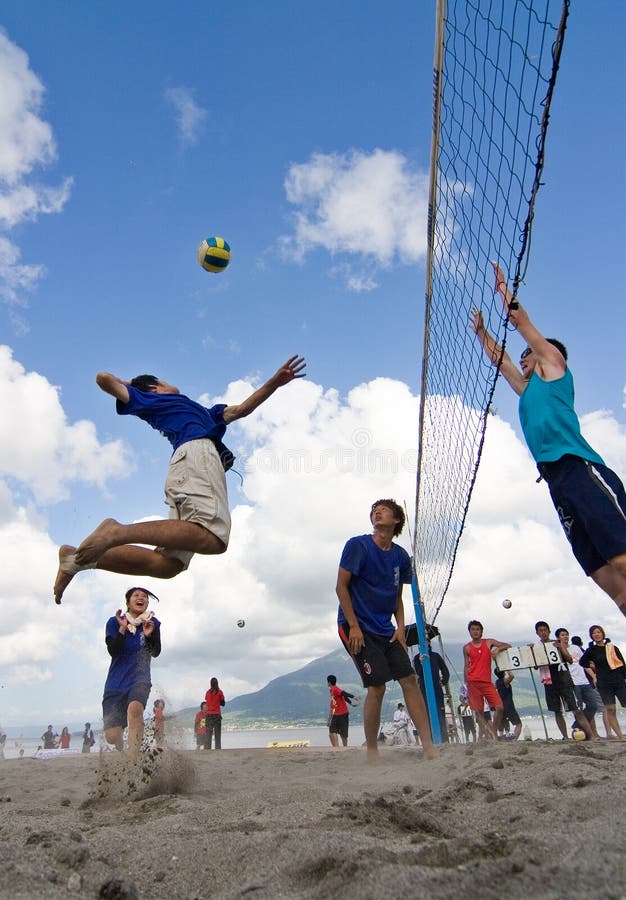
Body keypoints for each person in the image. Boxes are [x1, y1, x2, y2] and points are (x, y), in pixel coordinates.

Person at [53, 356, 306, 603]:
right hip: (198, 457)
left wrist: (274, 382)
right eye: (161, 382)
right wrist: (134, 384)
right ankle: (116, 532)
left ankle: (75, 560)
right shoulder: (149, 399)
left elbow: (241, 409)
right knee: (214, 538)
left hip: (187, 466)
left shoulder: (202, 411)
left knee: (168, 566)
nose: (168, 383)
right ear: (155, 388)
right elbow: (103, 379)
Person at [470, 263, 626, 618]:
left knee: (622, 559)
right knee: (612, 585)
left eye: (529, 353)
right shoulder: (527, 391)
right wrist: (481, 334)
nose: (523, 358)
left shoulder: (555, 368)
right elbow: (501, 360)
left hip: (579, 468)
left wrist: (504, 293)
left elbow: (524, 326)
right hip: (556, 482)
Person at [335, 498, 437, 763]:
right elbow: (340, 587)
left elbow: (397, 597)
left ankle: (428, 747)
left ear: (396, 520)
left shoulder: (400, 556)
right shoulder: (357, 545)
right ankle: (372, 751)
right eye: (373, 510)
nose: (376, 511)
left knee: (410, 681)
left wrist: (401, 629)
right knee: (377, 687)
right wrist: (354, 626)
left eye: (384, 510)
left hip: (387, 628)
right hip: (356, 626)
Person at [102, 586, 161, 763]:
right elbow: (113, 651)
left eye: (144, 596)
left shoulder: (152, 623)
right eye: (136, 595)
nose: (141, 598)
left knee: (135, 709)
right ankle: (121, 744)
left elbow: (155, 652)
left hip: (140, 679)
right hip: (115, 683)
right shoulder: (114, 622)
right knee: (112, 736)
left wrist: (149, 635)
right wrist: (122, 630)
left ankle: (133, 761)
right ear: (128, 602)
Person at [534, 621, 592, 740]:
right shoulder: (537, 647)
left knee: (575, 709)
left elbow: (570, 660)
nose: (543, 632)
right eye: (541, 630)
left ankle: (590, 735)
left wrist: (561, 647)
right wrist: (532, 651)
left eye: (545, 630)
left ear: (549, 631)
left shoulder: (557, 643)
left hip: (563, 678)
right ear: (537, 633)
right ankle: (565, 737)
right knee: (557, 710)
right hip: (549, 680)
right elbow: (535, 665)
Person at [463, 621, 510, 739]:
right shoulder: (467, 647)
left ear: (481, 631)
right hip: (472, 681)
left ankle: (493, 731)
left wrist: (498, 649)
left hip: (487, 682)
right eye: (473, 629)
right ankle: (485, 735)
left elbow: (507, 645)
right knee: (478, 712)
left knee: (499, 707)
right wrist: (466, 683)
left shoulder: (488, 642)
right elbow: (466, 665)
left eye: (477, 629)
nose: (475, 631)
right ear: (469, 632)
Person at [580, 625, 626, 740]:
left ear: (602, 633)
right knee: (610, 709)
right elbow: (582, 662)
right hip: (604, 683)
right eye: (594, 633)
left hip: (619, 680)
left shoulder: (612, 647)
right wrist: (592, 665)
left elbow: (622, 663)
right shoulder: (591, 650)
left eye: (598, 632)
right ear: (591, 636)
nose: (597, 634)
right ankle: (620, 736)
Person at [560, 630, 602, 739]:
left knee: (593, 706)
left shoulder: (576, 648)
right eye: (562, 635)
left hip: (584, 681)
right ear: (558, 637)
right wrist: (561, 646)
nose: (565, 637)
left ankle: (576, 725)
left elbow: (585, 664)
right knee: (577, 709)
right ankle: (587, 734)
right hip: (573, 682)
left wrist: (593, 676)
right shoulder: (558, 650)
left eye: (566, 634)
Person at [413, 642, 450, 743]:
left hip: (436, 688)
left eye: (426, 641)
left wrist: (443, 681)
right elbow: (419, 672)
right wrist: (421, 663)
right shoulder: (417, 658)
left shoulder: (435, 656)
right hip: (424, 689)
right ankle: (431, 740)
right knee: (426, 714)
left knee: (440, 713)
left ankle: (444, 739)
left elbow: (445, 671)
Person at [327, 675, 360, 748]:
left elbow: (344, 693)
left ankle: (344, 748)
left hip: (343, 713)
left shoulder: (335, 689)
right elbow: (343, 697)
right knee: (332, 731)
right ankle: (337, 748)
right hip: (337, 713)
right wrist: (351, 703)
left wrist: (353, 697)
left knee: (342, 733)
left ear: (329, 682)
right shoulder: (332, 690)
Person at [494, 669, 522, 740]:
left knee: (501, 725)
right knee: (518, 724)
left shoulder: (497, 683)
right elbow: (512, 676)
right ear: (504, 673)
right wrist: (506, 668)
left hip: (501, 706)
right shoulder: (505, 682)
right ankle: (514, 739)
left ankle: (499, 738)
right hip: (509, 706)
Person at [205, 677, 225, 750]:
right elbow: (223, 703)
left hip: (209, 715)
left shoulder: (207, 692)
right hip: (217, 715)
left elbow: (207, 701)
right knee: (217, 735)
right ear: (217, 683)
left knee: (208, 735)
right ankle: (218, 749)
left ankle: (207, 750)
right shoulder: (220, 692)